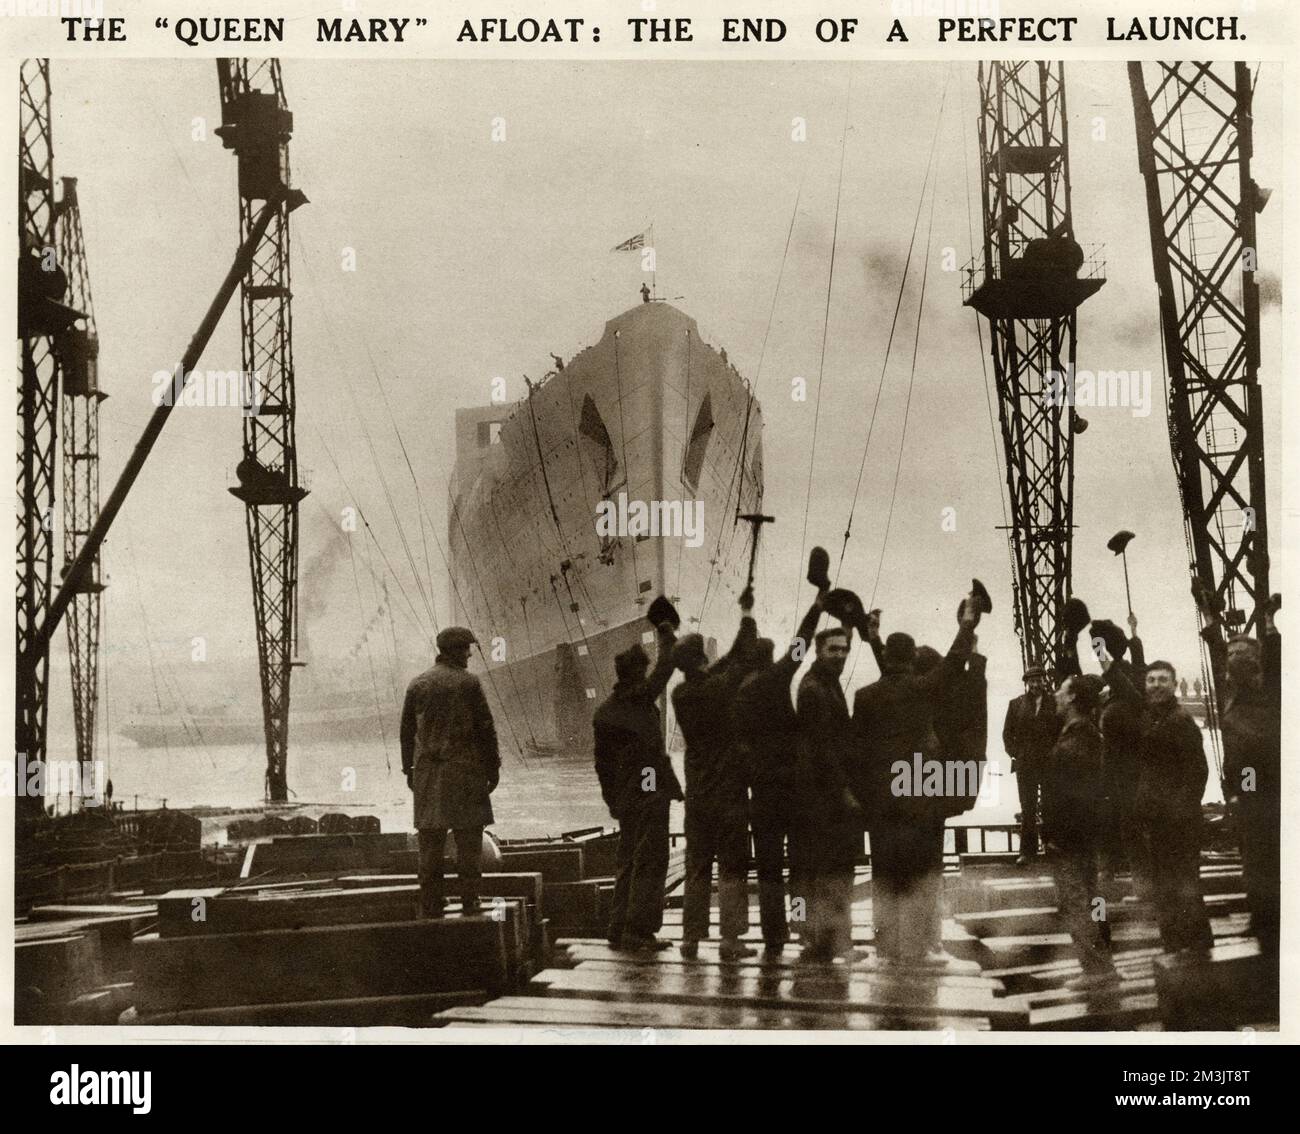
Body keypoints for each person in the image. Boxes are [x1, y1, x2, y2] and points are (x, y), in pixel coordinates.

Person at [853, 594, 981, 968]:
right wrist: (967, 623)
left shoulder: (866, 697)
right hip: (920, 799)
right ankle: (924, 946)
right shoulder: (924, 689)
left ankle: (885, 951)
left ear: (888, 657)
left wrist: (873, 637)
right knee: (922, 873)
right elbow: (956, 660)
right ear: (912, 661)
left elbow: (857, 754)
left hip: (881, 805)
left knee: (885, 876)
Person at [732, 590, 826, 954]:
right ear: (770, 659)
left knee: (768, 869)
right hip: (790, 790)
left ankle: (774, 934)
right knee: (799, 866)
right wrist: (817, 604)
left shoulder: (739, 692)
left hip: (760, 794)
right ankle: (800, 924)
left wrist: (747, 612)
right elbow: (801, 644)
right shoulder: (774, 680)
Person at [1105, 655, 1212, 959]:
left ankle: (1198, 955)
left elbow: (1197, 773)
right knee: (1166, 892)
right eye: (1151, 680)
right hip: (1158, 822)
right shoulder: (1150, 717)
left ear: (1174, 685)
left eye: (1162, 680)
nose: (1156, 685)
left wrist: (1177, 812)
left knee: (1185, 890)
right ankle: (1177, 952)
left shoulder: (1180, 721)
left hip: (1178, 824)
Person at [672, 592, 760, 961]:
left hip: (698, 795)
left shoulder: (680, 694)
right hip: (728, 794)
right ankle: (730, 940)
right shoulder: (719, 689)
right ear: (703, 658)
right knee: (731, 866)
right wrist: (746, 614)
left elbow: (725, 664)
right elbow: (740, 656)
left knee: (696, 866)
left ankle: (690, 939)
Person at [1195, 585, 1280, 955]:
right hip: (1249, 791)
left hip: (1267, 789)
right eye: (1232, 652)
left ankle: (1272, 923)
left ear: (1255, 659)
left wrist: (1269, 621)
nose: (1234, 655)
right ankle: (1264, 918)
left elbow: (1274, 657)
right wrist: (1209, 618)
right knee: (1255, 860)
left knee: (1266, 858)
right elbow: (1219, 654)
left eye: (1243, 651)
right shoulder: (1232, 694)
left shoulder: (1269, 690)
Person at [593, 615, 683, 951]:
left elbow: (601, 765)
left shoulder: (603, 712)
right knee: (651, 860)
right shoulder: (641, 699)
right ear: (637, 674)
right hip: (649, 792)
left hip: (625, 797)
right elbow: (668, 663)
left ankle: (618, 927)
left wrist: (613, 801)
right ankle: (639, 931)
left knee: (627, 858)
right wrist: (665, 630)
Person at [400, 626, 500, 918]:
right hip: (466, 773)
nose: (470, 653)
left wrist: (410, 769)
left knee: (430, 842)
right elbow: (486, 730)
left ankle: (431, 903)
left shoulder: (417, 684)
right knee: (469, 840)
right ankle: (470, 901)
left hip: (428, 775)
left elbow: (406, 734)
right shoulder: (469, 684)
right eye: (466, 648)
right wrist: (493, 768)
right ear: (454, 650)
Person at [1041, 673, 1120, 990]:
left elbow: (1069, 799)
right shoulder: (1091, 736)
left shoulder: (1072, 743)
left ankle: (1096, 971)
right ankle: (1105, 965)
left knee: (1076, 904)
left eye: (1061, 690)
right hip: (1089, 839)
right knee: (1095, 902)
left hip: (1071, 842)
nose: (1057, 695)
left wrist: (1056, 838)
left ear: (1072, 698)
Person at [793, 625, 861, 962]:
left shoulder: (822, 682)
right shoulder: (815, 690)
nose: (841, 655)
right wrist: (845, 791)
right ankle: (832, 941)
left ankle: (812, 936)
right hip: (823, 797)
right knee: (830, 873)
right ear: (819, 651)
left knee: (813, 871)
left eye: (844, 649)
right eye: (833, 649)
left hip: (813, 797)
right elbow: (823, 748)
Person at [1002, 665, 1058, 865]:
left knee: (1051, 803)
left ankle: (1051, 845)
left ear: (1044, 681)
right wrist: (1017, 754)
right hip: (1025, 764)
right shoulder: (1015, 704)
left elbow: (1060, 731)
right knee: (1028, 807)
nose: (1035, 684)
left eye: (1039, 680)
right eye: (1031, 681)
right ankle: (1027, 852)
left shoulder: (1055, 703)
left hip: (1049, 763)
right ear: (1026, 683)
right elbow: (1007, 734)